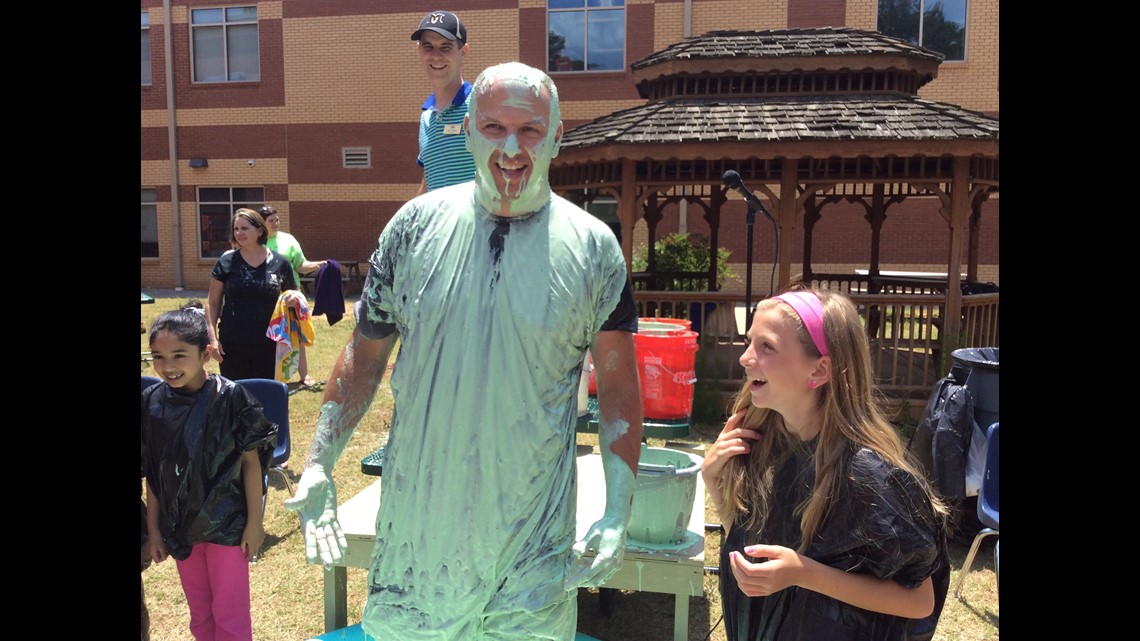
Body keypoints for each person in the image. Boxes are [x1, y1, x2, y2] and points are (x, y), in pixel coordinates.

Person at [285, 62, 644, 641]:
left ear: (556, 136)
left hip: (532, 548)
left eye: (529, 130)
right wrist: (320, 462)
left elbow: (621, 387)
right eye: (494, 126)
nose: (511, 147)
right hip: (420, 543)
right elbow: (363, 359)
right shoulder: (412, 230)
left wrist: (619, 507)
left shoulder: (594, 250)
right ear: (470, 131)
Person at [700, 288, 951, 641]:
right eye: (749, 341)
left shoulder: (871, 477)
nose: (744, 358)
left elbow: (920, 600)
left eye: (766, 346)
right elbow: (757, 550)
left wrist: (804, 573)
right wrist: (717, 487)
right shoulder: (765, 444)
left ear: (818, 370)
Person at [141, 300, 278, 641]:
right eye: (158, 357)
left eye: (178, 355)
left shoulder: (231, 398)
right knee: (200, 615)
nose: (167, 366)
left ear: (205, 354)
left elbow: (252, 463)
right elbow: (154, 474)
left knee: (230, 617)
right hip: (181, 530)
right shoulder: (152, 403)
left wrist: (254, 524)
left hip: (228, 529)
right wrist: (155, 530)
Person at [205, 208, 306, 381]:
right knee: (236, 396)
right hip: (232, 343)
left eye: (244, 228)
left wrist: (293, 299)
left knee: (265, 396)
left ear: (260, 230)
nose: (239, 233)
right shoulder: (226, 262)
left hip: (270, 343)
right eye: (236, 229)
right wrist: (213, 339)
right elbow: (213, 303)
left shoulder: (280, 263)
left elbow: (296, 298)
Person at [412, 9, 477, 194]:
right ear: (418, 50)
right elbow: (429, 179)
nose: (436, 56)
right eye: (428, 47)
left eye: (445, 47)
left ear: (463, 51)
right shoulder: (426, 118)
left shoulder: (481, 106)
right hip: (438, 224)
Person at [261, 204, 326, 387]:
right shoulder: (257, 242)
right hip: (268, 297)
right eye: (271, 221)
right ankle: (273, 374)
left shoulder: (288, 240)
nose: (275, 223)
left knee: (296, 334)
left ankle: (304, 374)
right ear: (261, 223)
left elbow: (300, 265)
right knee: (272, 336)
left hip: (290, 294)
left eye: (277, 219)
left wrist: (316, 265)